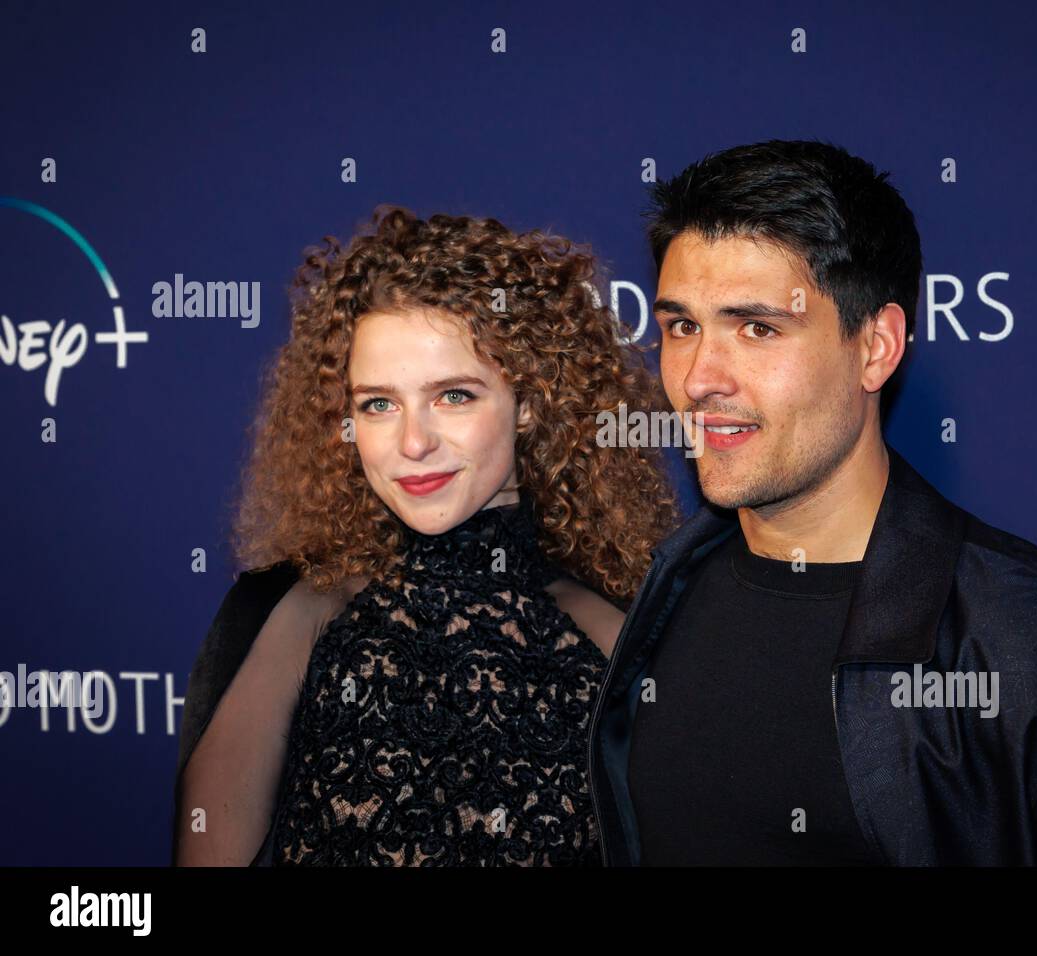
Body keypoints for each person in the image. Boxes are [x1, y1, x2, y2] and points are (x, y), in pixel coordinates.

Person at [587, 139, 1037, 865]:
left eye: (757, 328)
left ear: (876, 347)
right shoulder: (663, 589)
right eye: (683, 327)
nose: (698, 379)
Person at [172, 206, 677, 866]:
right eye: (378, 404)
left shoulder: (619, 641)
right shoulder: (283, 616)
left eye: (454, 396)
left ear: (529, 404)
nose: (413, 443)